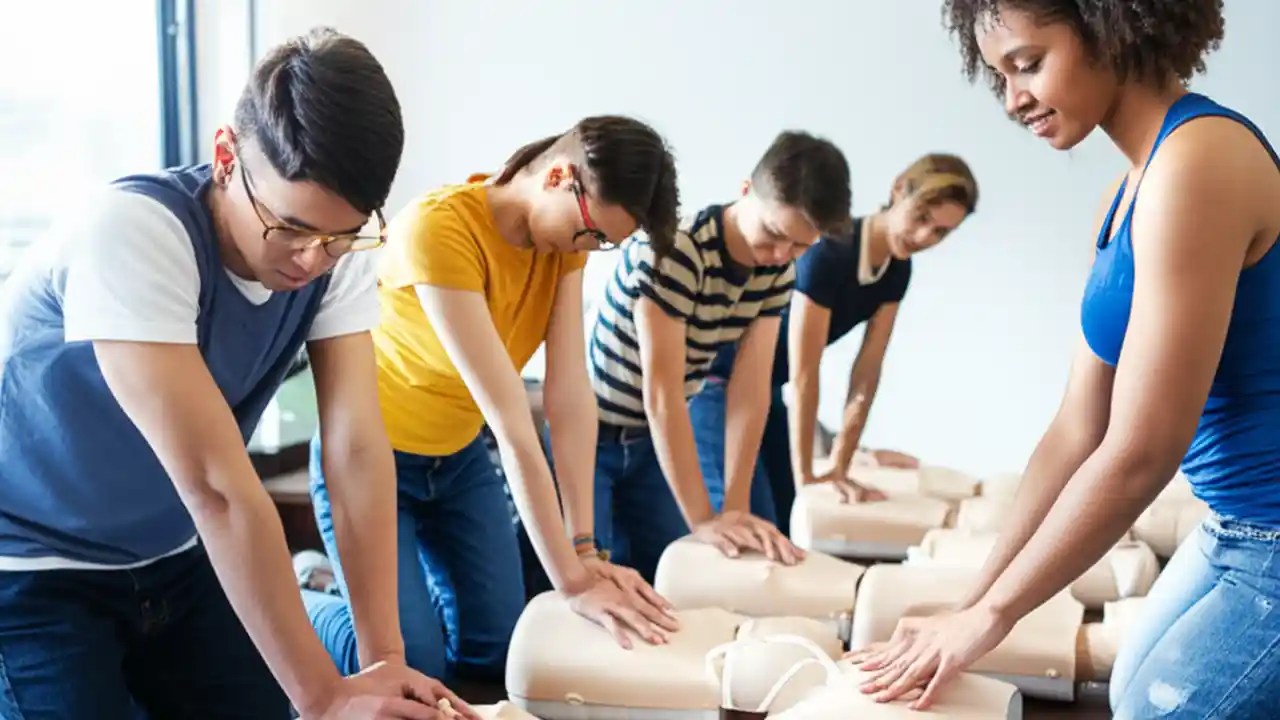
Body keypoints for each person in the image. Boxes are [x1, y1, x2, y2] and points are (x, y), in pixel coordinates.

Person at [0, 28, 476, 720]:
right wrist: (323, 698)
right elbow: (219, 489)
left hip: (172, 552)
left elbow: (354, 450)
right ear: (227, 156)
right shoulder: (136, 232)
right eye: (289, 227)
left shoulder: (332, 252)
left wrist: (383, 663)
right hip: (32, 563)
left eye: (341, 237)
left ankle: (308, 598)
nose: (312, 260)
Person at [851, 1, 1280, 717]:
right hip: (1231, 521)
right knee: (1129, 688)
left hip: (1270, 530)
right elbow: (1077, 429)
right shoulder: (1121, 197)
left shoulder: (1201, 160)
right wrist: (975, 600)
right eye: (1000, 77)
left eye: (1027, 64)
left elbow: (1143, 449)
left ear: (1111, 27)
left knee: (1155, 705)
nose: (1014, 99)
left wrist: (992, 619)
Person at [298, 116, 683, 683]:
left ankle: (390, 598)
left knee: (496, 648)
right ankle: (301, 594)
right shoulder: (441, 228)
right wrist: (573, 584)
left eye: (606, 243)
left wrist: (586, 549)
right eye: (592, 234)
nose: (591, 250)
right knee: (407, 663)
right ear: (558, 176)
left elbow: (570, 397)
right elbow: (510, 419)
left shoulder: (564, 248)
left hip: (455, 461)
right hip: (370, 462)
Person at [588, 130, 852, 582]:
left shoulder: (776, 269)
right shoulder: (676, 248)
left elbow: (751, 391)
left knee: (680, 573)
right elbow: (663, 394)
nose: (781, 255)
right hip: (590, 434)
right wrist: (704, 518)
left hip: (649, 444)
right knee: (595, 576)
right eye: (773, 234)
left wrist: (734, 507)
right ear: (745, 191)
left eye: (801, 246)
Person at [690, 155, 978, 535]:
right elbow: (805, 372)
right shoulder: (834, 249)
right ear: (896, 190)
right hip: (715, 383)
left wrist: (841, 462)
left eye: (941, 232)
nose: (925, 237)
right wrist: (808, 474)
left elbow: (867, 370)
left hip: (766, 388)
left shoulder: (897, 270)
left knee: (785, 517)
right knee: (747, 519)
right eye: (922, 218)